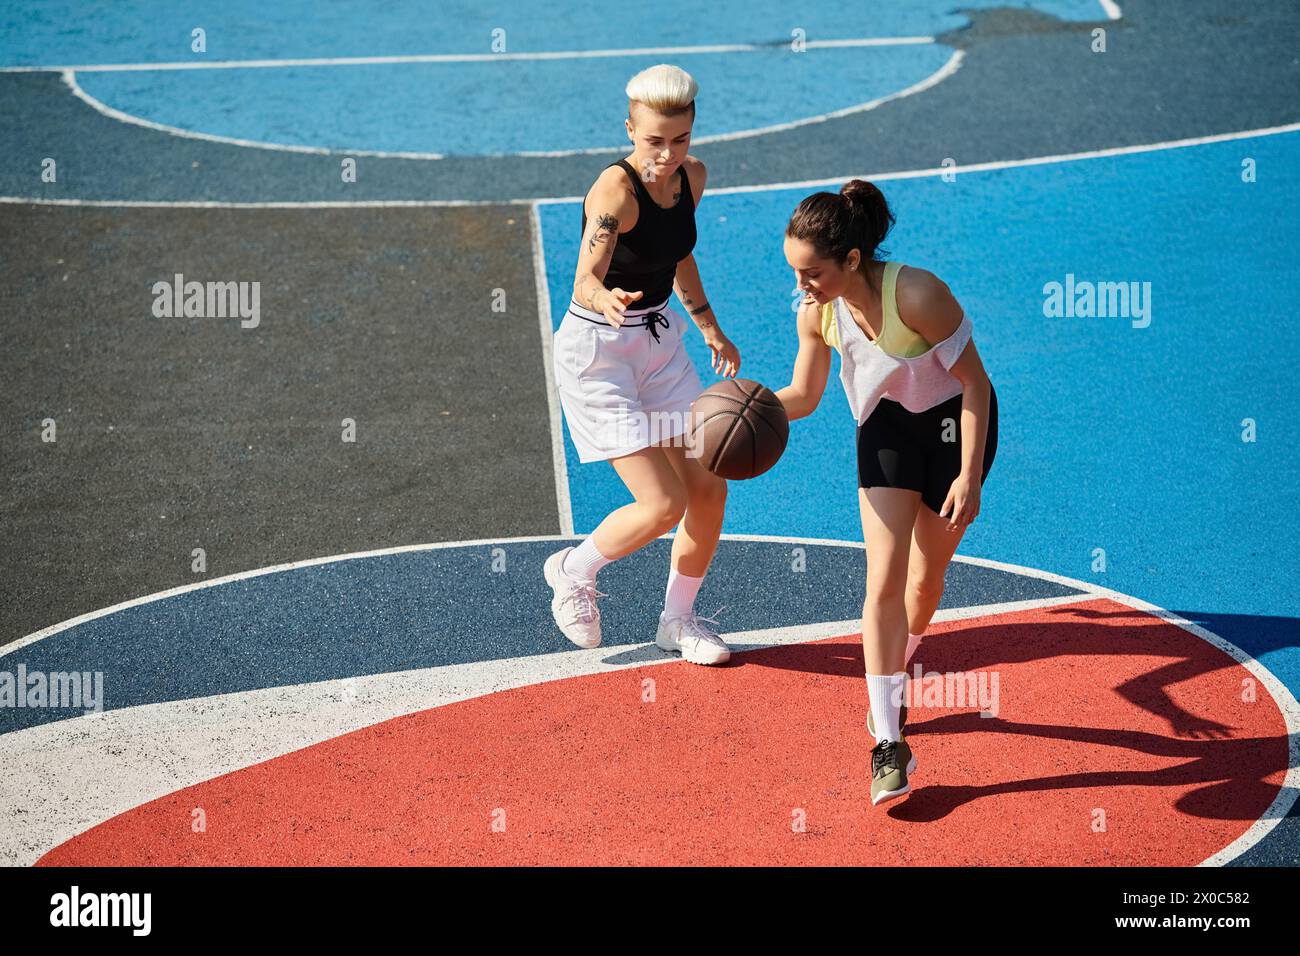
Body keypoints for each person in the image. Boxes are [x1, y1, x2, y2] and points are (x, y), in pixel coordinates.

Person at [775, 180, 998, 805]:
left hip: (957, 432)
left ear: (850, 260)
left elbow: (976, 386)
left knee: (925, 586)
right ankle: (887, 735)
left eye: (812, 272)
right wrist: (739, 409)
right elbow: (805, 397)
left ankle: (899, 671)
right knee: (882, 583)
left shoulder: (919, 294)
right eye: (795, 271)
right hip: (887, 434)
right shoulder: (815, 312)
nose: (802, 285)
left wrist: (969, 476)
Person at [544, 64, 742, 665]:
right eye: (654, 140)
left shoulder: (692, 179)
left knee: (708, 489)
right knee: (661, 505)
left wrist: (709, 326)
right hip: (598, 352)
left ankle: (677, 622)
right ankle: (573, 572)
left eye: (679, 139)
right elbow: (583, 279)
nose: (667, 153)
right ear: (630, 129)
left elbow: (680, 257)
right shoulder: (615, 191)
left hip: (659, 343)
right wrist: (603, 298)